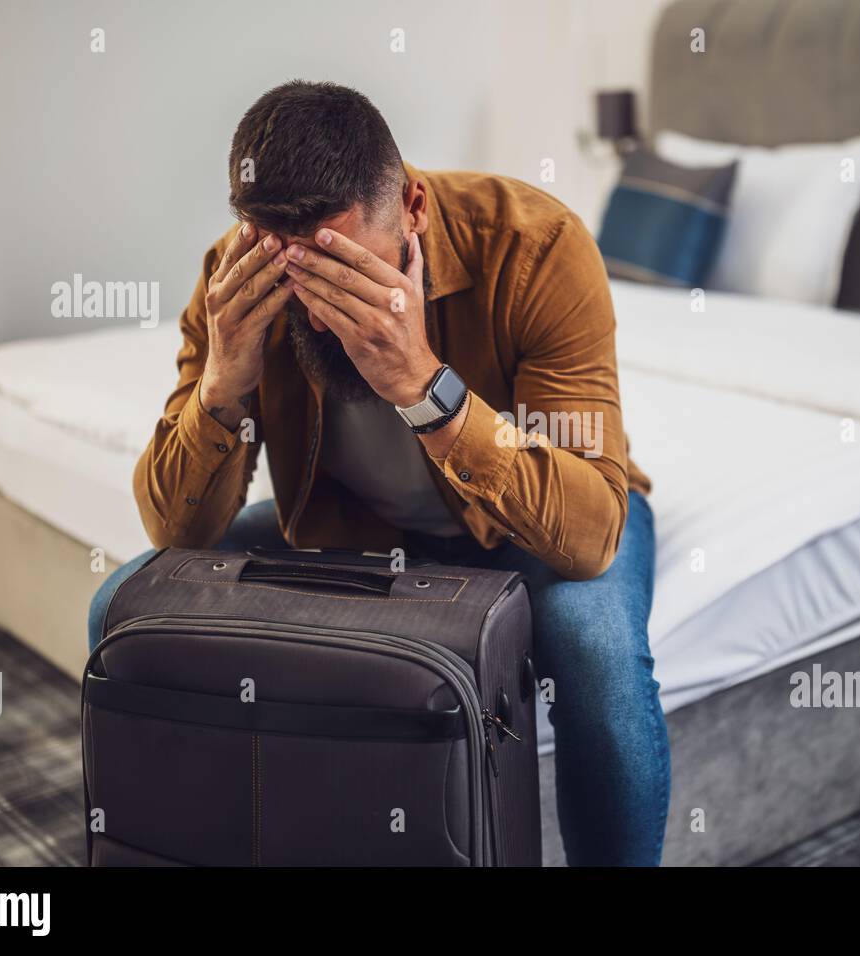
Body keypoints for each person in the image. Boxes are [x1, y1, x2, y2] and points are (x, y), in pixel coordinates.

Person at [88, 81, 669, 866]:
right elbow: (179, 531)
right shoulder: (236, 280)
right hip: (357, 527)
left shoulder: (536, 247)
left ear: (415, 211)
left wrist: (426, 389)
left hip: (530, 521)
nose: (325, 315)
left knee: (596, 652)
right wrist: (223, 386)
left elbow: (594, 532)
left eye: (349, 272)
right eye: (302, 282)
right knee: (122, 604)